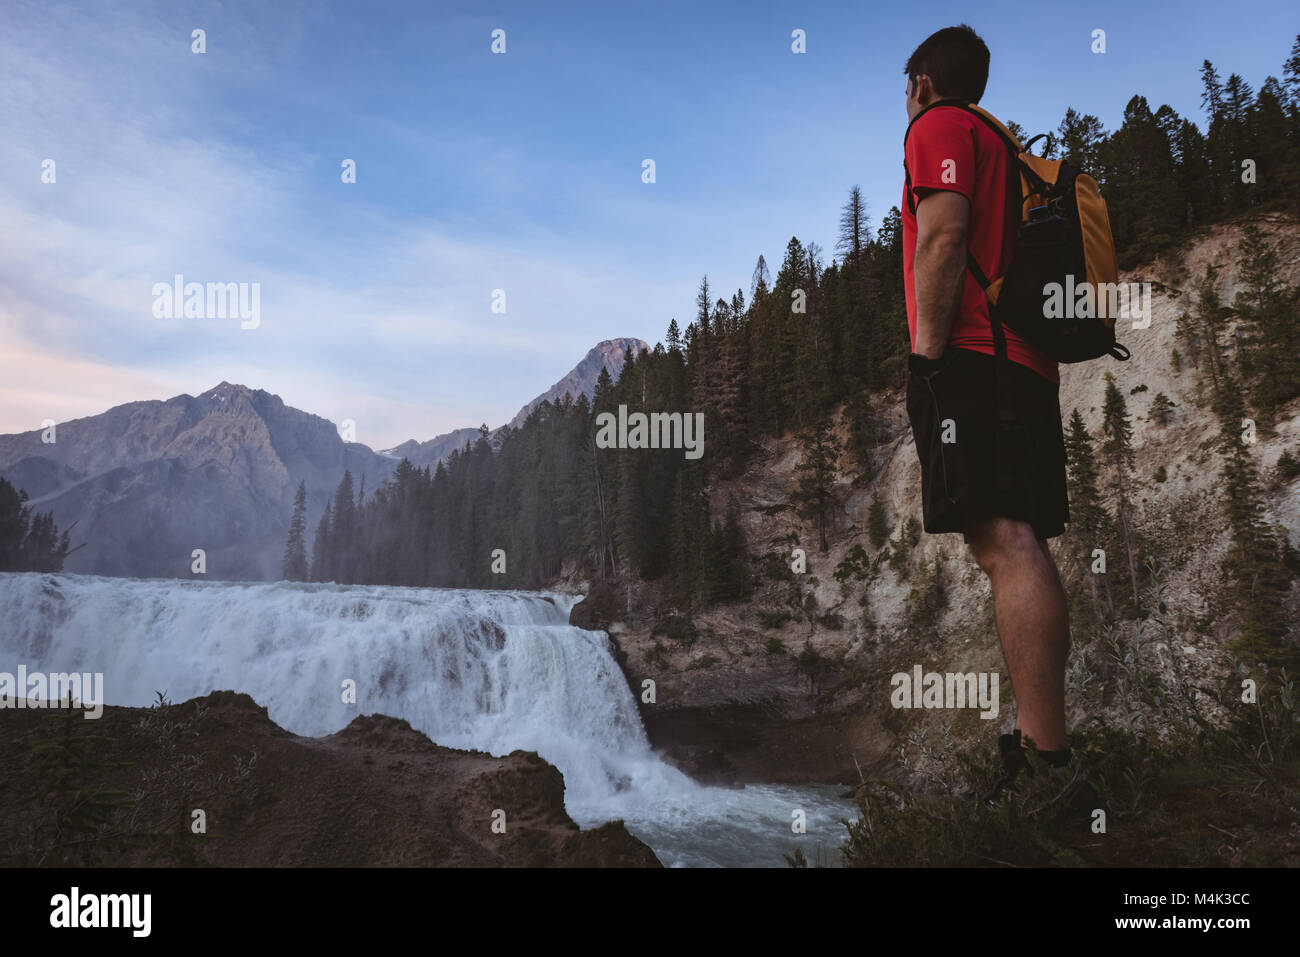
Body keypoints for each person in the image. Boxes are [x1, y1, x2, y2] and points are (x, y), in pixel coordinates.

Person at [900, 24, 1074, 802]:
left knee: (1002, 540)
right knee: (1016, 538)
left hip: (974, 359)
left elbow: (941, 237)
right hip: (1026, 363)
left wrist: (926, 356)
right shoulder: (1001, 142)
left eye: (905, 88)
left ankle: (1046, 762)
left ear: (923, 83)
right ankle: (1039, 743)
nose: (902, 102)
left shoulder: (938, 126)